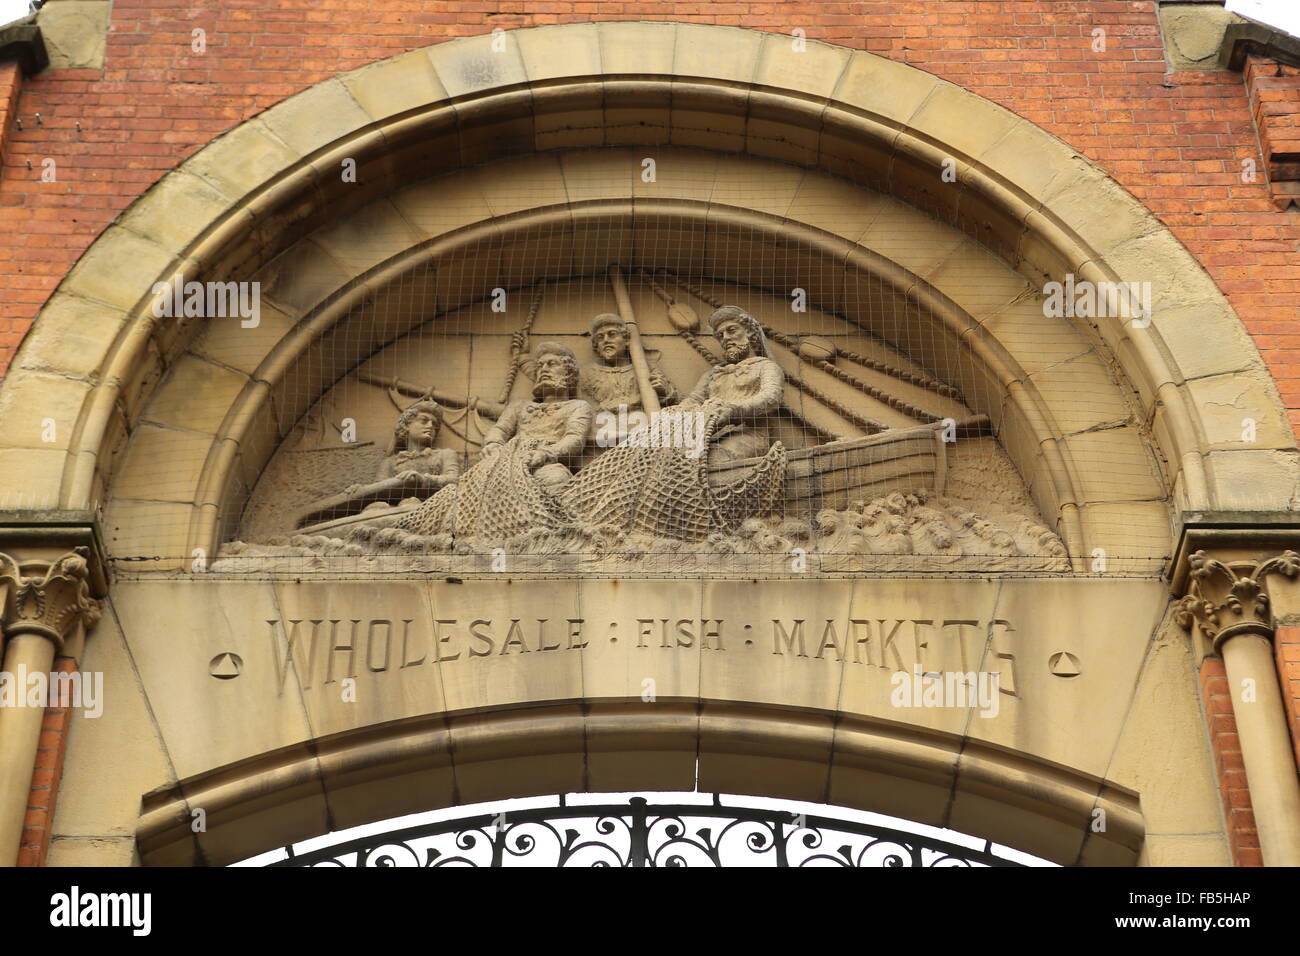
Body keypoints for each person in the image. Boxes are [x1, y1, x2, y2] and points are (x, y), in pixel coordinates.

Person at [679, 305, 786, 463]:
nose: (725, 338)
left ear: (749, 332)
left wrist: (734, 410)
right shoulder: (713, 375)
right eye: (720, 335)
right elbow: (692, 401)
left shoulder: (766, 366)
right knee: (676, 461)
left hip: (748, 435)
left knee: (713, 461)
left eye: (731, 330)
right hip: (709, 436)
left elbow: (771, 397)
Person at [482, 342, 593, 493]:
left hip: (545, 464)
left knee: (556, 480)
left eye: (551, 364)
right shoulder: (518, 406)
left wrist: (545, 454)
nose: (544, 369)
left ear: (569, 373)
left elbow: (575, 439)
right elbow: (500, 429)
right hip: (508, 463)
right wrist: (493, 444)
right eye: (540, 366)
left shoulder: (578, 407)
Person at [579, 313, 678, 413]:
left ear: (626, 339)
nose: (606, 340)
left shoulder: (646, 369)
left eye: (612, 334)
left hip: (641, 425)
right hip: (604, 426)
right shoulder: (586, 374)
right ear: (596, 345)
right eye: (600, 337)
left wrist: (665, 391)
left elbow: (677, 400)